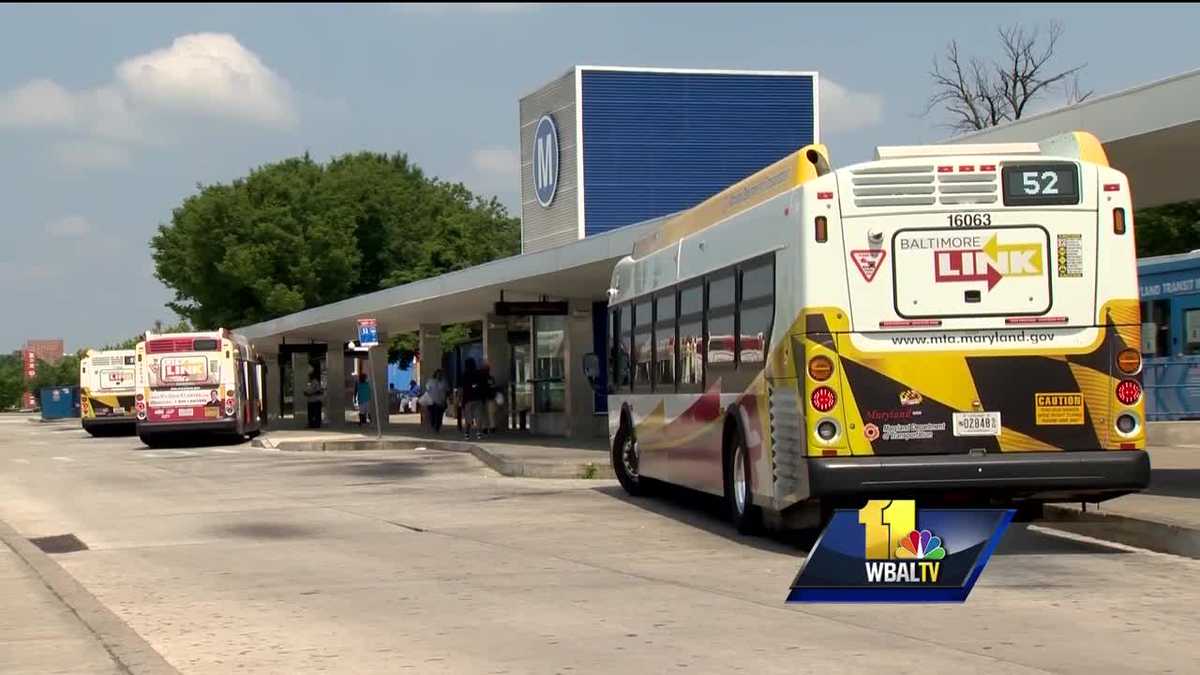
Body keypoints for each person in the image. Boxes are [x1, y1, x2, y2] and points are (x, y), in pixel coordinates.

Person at [462, 358, 486, 441]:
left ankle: (467, 433)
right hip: (478, 399)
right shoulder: (479, 374)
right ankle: (479, 433)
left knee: (468, 418)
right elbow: (483, 386)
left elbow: (462, 388)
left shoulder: (465, 375)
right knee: (478, 417)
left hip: (468, 399)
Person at [481, 362, 498, 435]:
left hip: (484, 398)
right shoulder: (491, 378)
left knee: (484, 413)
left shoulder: (481, 378)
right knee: (491, 414)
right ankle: (492, 427)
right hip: (490, 398)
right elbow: (493, 387)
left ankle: (485, 427)